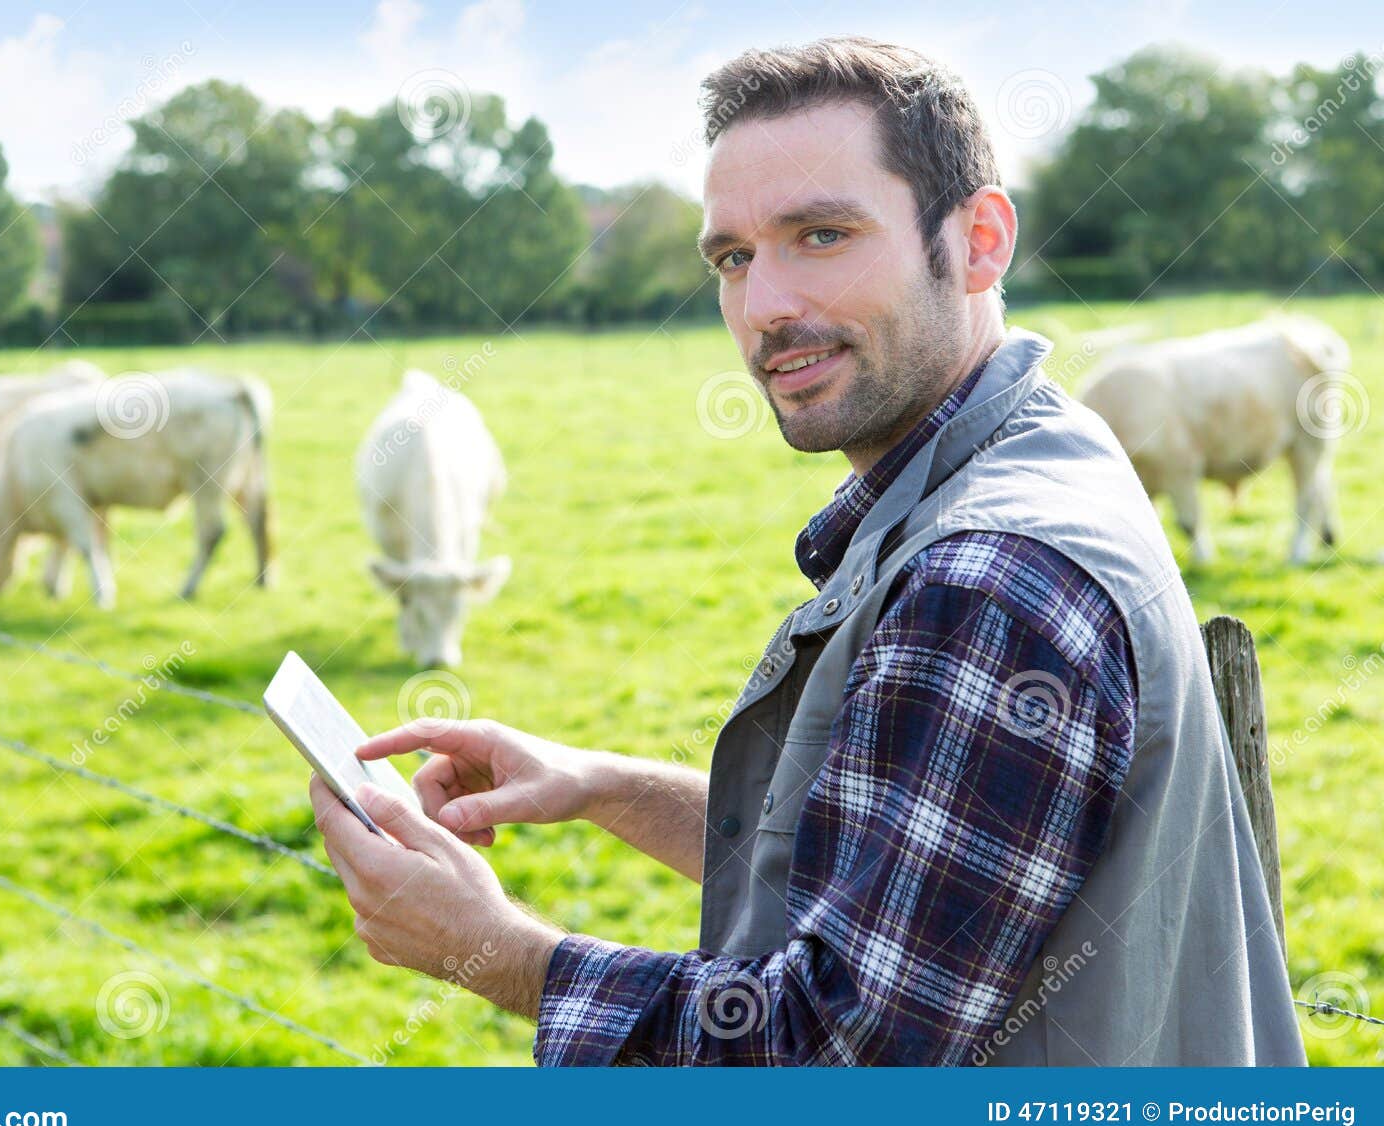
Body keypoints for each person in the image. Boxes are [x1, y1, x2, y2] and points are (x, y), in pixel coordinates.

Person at [309, 35, 1305, 1066]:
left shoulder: (991, 577)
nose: (765, 307)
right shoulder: (1043, 440)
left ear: (979, 241)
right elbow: (911, 876)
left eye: (821, 234)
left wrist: (496, 949)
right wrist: (600, 784)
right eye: (733, 257)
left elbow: (829, 1056)